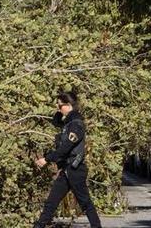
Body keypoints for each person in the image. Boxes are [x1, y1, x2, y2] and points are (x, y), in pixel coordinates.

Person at [33, 91, 102, 228]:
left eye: (60, 106)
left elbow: (65, 148)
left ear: (69, 105)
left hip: (75, 170)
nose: (58, 109)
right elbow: (55, 121)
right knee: (51, 202)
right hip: (66, 170)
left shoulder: (76, 124)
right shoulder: (68, 123)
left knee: (85, 203)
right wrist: (58, 110)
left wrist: (47, 159)